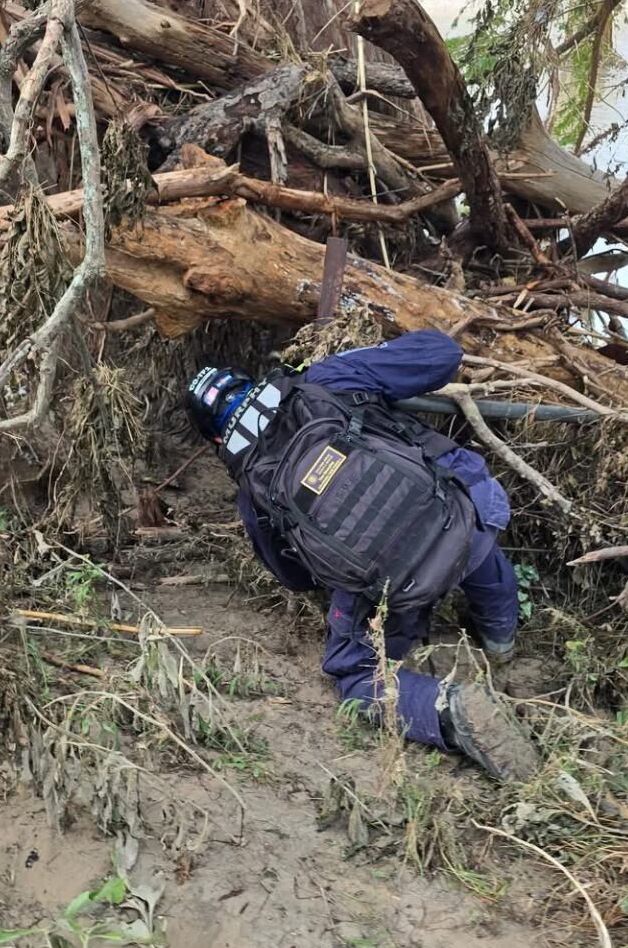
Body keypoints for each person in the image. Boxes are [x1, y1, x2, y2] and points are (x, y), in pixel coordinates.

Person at [187, 328, 541, 780]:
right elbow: (442, 355)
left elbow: (297, 578)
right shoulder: (323, 380)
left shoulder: (250, 487)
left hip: (387, 584)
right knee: (473, 527)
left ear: (217, 442)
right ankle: (501, 644)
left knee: (356, 678)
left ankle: (450, 710)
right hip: (459, 514)